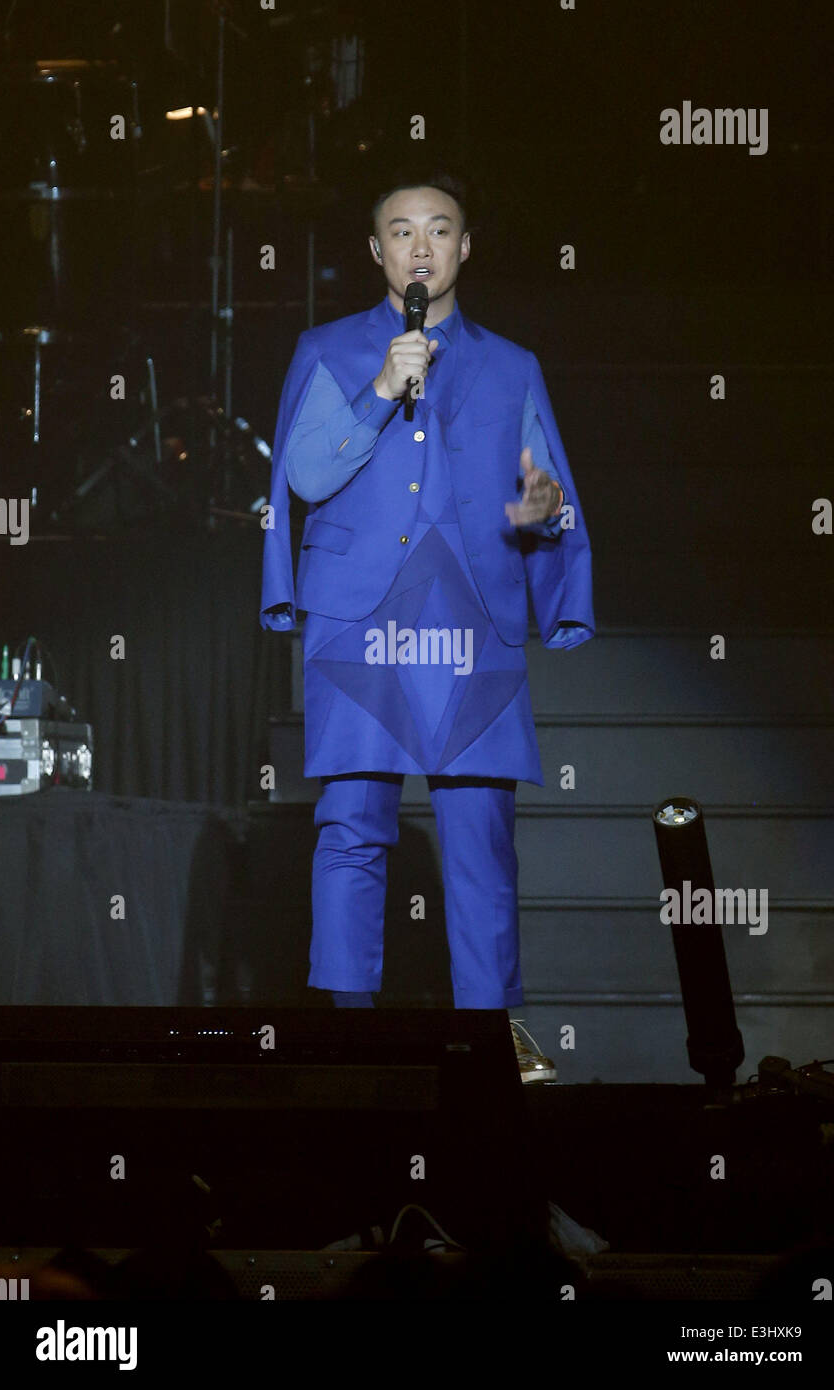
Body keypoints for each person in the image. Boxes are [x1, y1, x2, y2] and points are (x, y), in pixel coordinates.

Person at [260, 171, 594, 1072]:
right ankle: (348, 1022)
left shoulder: (511, 364)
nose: (420, 247)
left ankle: (492, 1035)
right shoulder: (328, 349)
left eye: (439, 230)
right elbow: (304, 479)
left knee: (481, 832)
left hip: (467, 611)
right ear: (376, 252)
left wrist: (540, 514)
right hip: (357, 612)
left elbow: (542, 498)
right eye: (401, 232)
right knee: (353, 821)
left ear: (464, 247)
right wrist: (379, 387)